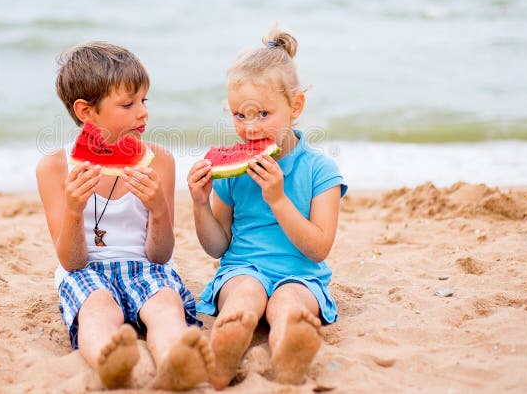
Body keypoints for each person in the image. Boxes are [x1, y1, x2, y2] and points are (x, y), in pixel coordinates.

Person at [37, 41, 214, 390]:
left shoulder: (159, 161)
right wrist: (74, 209)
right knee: (98, 310)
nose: (143, 112)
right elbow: (71, 262)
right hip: (87, 271)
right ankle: (109, 360)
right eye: (128, 104)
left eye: (144, 100)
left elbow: (160, 254)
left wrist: (158, 210)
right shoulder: (54, 168)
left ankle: (175, 362)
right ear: (86, 111)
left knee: (166, 306)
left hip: (147, 266)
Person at [187, 28, 347, 388]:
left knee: (288, 304)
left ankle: (289, 353)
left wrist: (277, 198)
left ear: (296, 106)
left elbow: (318, 248)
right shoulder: (232, 173)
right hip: (241, 268)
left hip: (302, 276)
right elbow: (217, 246)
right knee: (244, 296)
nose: (249, 127)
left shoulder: (320, 171)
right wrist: (200, 205)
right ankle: (225, 349)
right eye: (239, 116)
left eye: (262, 113)